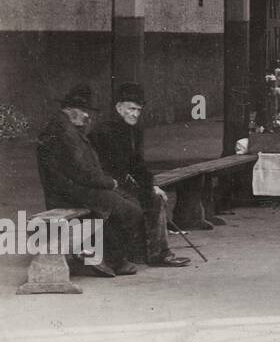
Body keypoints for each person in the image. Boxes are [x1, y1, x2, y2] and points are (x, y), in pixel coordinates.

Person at [35, 85, 146, 277]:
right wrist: (109, 183)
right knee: (128, 208)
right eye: (85, 111)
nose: (88, 116)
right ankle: (110, 258)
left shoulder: (66, 127)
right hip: (71, 192)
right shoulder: (65, 133)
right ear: (70, 110)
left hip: (73, 189)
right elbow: (82, 172)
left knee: (125, 204)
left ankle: (108, 255)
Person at [88, 82, 190, 268]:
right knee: (133, 205)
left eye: (138, 110)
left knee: (154, 198)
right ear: (119, 108)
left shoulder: (132, 131)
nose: (135, 114)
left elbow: (137, 164)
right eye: (131, 109)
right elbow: (111, 168)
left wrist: (152, 186)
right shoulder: (104, 131)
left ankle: (158, 253)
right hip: (105, 185)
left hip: (120, 183)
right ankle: (134, 254)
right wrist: (139, 187)